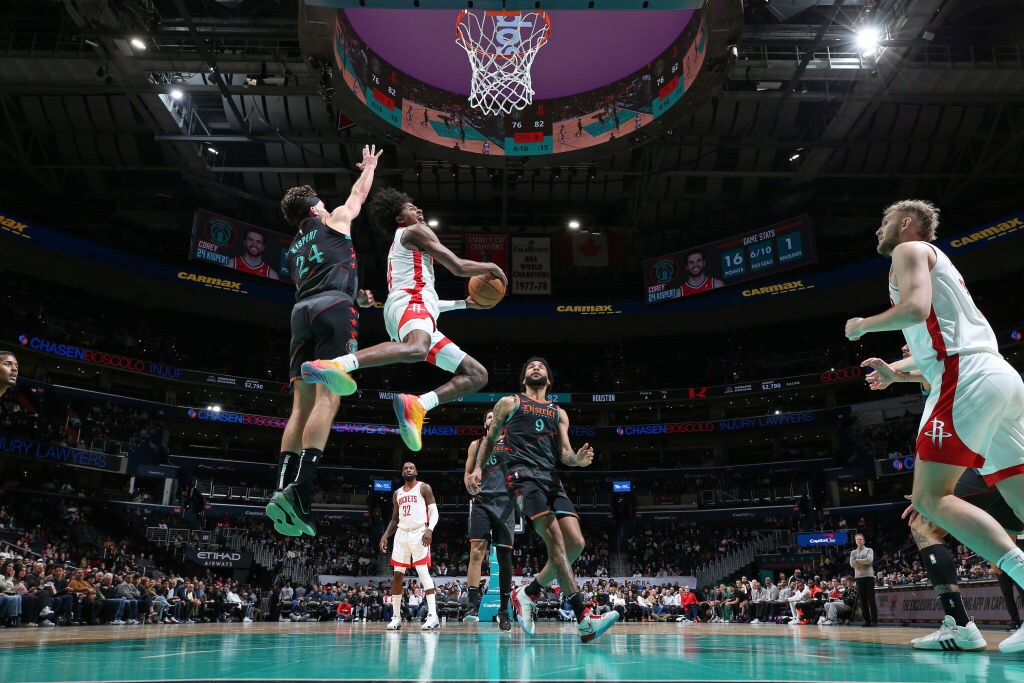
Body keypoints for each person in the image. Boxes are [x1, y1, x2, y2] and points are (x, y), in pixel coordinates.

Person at [845, 199, 1024, 653]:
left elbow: (914, 309)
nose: (879, 229)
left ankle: (970, 618)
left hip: (963, 375)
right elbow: (936, 340)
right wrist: (896, 372)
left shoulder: (908, 250)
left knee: (928, 500)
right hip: (998, 375)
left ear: (906, 223)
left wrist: (863, 325)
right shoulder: (938, 262)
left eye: (885, 220)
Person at [300, 188, 506, 452]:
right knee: (417, 348)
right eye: (410, 208)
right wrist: (492, 267)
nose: (418, 210)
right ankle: (337, 364)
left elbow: (429, 302)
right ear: (399, 219)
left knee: (477, 374)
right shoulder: (413, 231)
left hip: (416, 307)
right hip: (411, 302)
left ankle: (418, 405)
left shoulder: (409, 246)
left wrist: (463, 304)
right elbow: (457, 267)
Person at [264, 144, 383, 537]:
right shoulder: (335, 221)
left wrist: (354, 296)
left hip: (301, 313)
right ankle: (302, 490)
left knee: (299, 406)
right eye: (323, 204)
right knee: (328, 398)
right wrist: (369, 167)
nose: (329, 207)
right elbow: (358, 196)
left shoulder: (292, 251)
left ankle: (281, 488)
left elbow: (322, 277)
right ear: (316, 210)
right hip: (332, 309)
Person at [468, 357, 619, 643]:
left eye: (541, 367)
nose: (536, 368)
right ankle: (584, 618)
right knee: (557, 543)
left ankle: (528, 592)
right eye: (530, 366)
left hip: (551, 479)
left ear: (549, 379)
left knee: (576, 543)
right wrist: (477, 469)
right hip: (522, 478)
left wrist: (577, 460)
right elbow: (489, 439)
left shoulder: (558, 413)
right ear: (523, 378)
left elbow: (564, 453)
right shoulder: (510, 403)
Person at [462, 410, 513, 630]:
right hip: (482, 501)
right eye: (489, 417)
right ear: (485, 423)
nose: (493, 419)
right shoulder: (476, 445)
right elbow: (467, 473)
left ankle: (504, 610)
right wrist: (468, 484)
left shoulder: (513, 443)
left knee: (504, 558)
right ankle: (471, 605)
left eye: (496, 416)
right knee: (476, 551)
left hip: (505, 504)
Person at [381, 462, 440, 630]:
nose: (408, 470)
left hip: (419, 533)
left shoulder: (424, 488)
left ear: (416, 471)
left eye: (411, 468)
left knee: (422, 571)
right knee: (397, 575)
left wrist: (430, 529)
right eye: (405, 468)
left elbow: (434, 512)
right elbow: (394, 519)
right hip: (401, 534)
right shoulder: (397, 493)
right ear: (402, 473)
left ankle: (433, 616)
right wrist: (385, 535)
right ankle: (396, 617)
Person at [848, 534, 877, 626]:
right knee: (863, 600)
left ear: (864, 541)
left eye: (860, 539)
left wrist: (857, 561)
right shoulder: (853, 552)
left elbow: (869, 560)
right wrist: (863, 562)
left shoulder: (869, 550)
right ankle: (867, 620)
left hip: (869, 576)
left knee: (871, 599)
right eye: (857, 539)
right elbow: (852, 564)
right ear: (855, 541)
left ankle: (874, 620)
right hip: (858, 577)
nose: (859, 540)